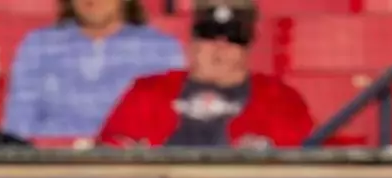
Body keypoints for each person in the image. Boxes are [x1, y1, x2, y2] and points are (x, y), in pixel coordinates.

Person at [97, 0, 311, 149]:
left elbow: (304, 165)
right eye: (209, 34)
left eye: (234, 37)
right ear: (191, 42)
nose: (220, 47)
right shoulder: (147, 92)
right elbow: (109, 153)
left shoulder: (281, 100)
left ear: (250, 46)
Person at [1, 0, 184, 141]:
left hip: (129, 168)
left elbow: (169, 129)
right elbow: (17, 126)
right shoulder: (38, 44)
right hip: (51, 166)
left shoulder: (160, 48)